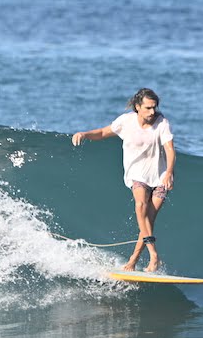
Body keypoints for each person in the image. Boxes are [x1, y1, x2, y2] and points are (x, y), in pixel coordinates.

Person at [72, 88, 175, 272]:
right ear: (138, 107)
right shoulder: (126, 122)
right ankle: (153, 255)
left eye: (154, 108)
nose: (153, 112)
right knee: (140, 207)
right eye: (148, 108)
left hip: (160, 177)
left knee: (148, 222)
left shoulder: (162, 123)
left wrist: (168, 173)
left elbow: (169, 149)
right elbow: (103, 133)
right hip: (138, 175)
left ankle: (133, 261)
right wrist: (85, 134)